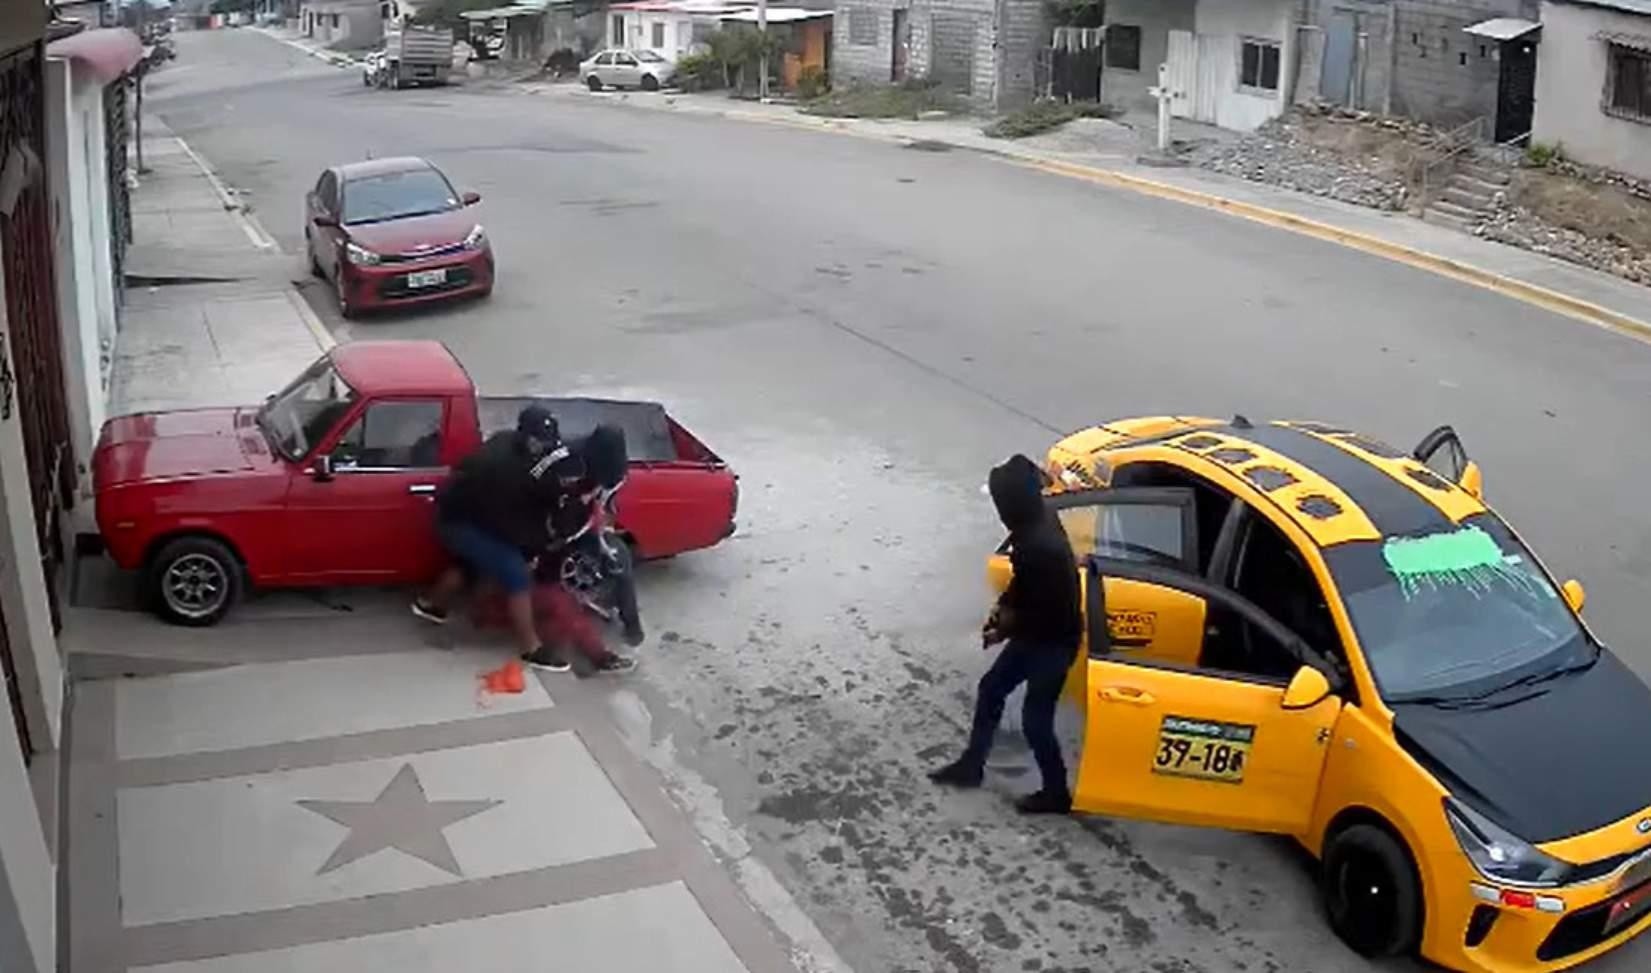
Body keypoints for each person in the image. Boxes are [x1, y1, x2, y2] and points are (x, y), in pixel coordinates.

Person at [929, 454, 1083, 814]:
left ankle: (1056, 793)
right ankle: (972, 766)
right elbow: (1026, 586)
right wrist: (1004, 609)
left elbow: (1042, 610)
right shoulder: (1037, 522)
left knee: (1035, 718)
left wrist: (1003, 629)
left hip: (1053, 642)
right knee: (993, 690)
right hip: (1043, 635)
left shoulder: (1037, 545)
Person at [413, 405, 583, 672]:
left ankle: (431, 605)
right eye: (539, 441)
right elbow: (509, 525)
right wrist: (533, 550)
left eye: (549, 441)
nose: (544, 447)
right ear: (525, 436)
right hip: (458, 522)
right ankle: (531, 648)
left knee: (473, 564)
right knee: (515, 572)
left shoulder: (506, 440)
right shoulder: (506, 470)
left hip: (465, 512)